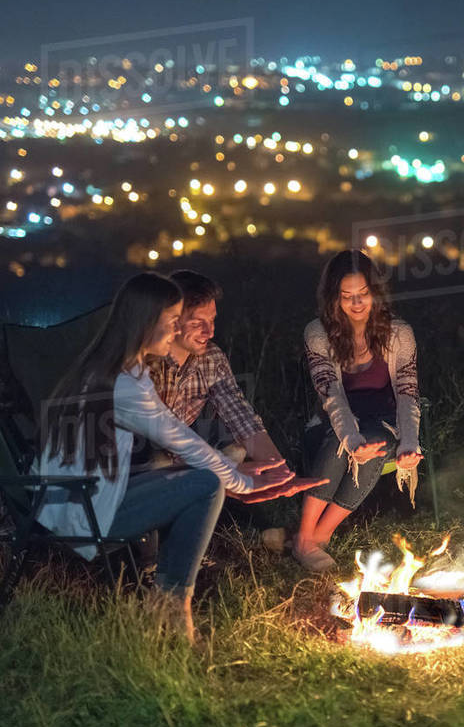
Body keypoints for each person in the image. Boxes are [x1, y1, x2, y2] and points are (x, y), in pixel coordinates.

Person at [37, 272, 308, 644]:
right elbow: (183, 441)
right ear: (146, 323)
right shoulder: (124, 384)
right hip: (83, 513)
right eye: (170, 323)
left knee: (205, 475)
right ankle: (172, 603)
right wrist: (241, 480)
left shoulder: (120, 367)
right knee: (206, 482)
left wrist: (252, 472)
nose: (173, 331)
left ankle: (165, 597)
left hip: (81, 496)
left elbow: (206, 435)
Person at [289, 250, 422, 572]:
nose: (357, 303)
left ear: (375, 293)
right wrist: (351, 439)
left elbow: (407, 392)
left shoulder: (398, 333)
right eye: (347, 296)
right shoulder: (318, 332)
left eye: (363, 294)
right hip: (330, 421)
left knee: (376, 447)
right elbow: (331, 395)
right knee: (339, 444)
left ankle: (318, 536)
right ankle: (305, 537)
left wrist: (409, 443)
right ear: (333, 298)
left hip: (382, 422)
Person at [145, 269, 324, 499]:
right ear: (172, 320)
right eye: (198, 322)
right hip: (134, 457)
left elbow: (241, 417)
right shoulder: (146, 360)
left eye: (212, 320)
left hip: (179, 452)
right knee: (158, 462)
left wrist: (281, 475)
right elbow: (155, 434)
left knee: (236, 449)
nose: (209, 331)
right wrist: (227, 474)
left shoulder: (210, 357)